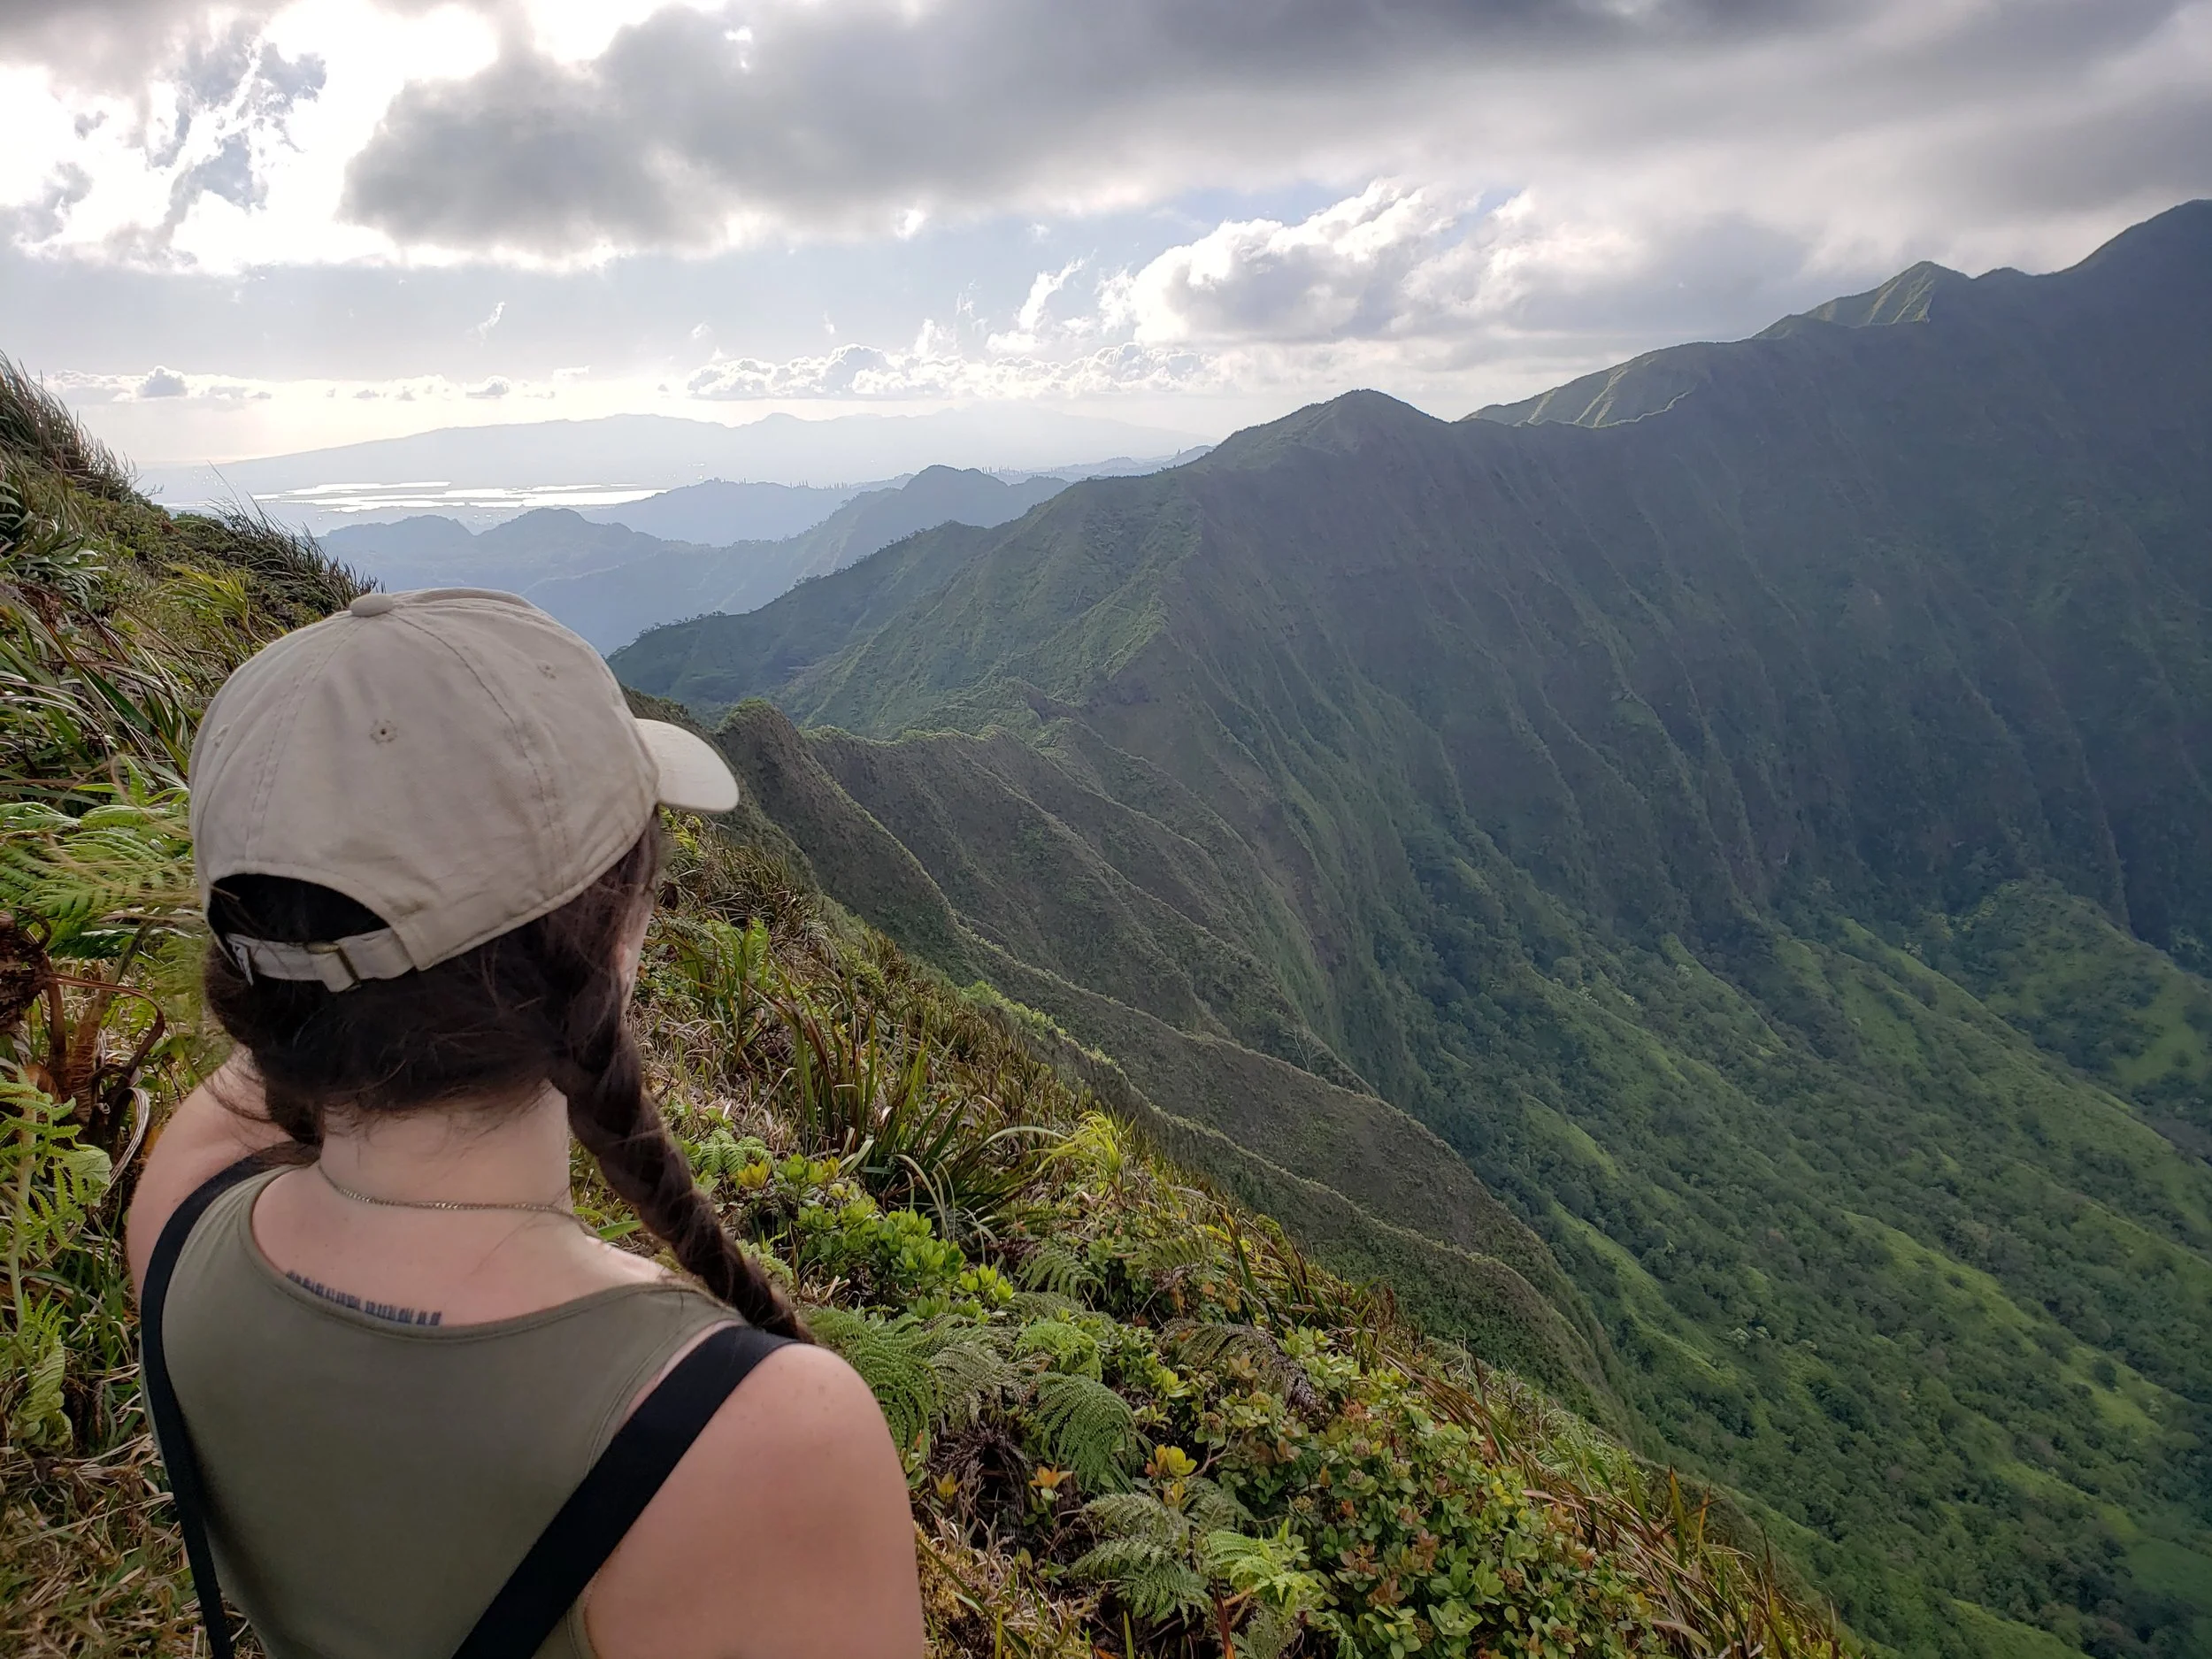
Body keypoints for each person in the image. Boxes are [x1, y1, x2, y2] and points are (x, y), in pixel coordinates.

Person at [127, 588, 926, 1659]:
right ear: (618, 945)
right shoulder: (753, 1437)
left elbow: (280, 1041)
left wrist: (345, 934)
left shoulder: (178, 1213)